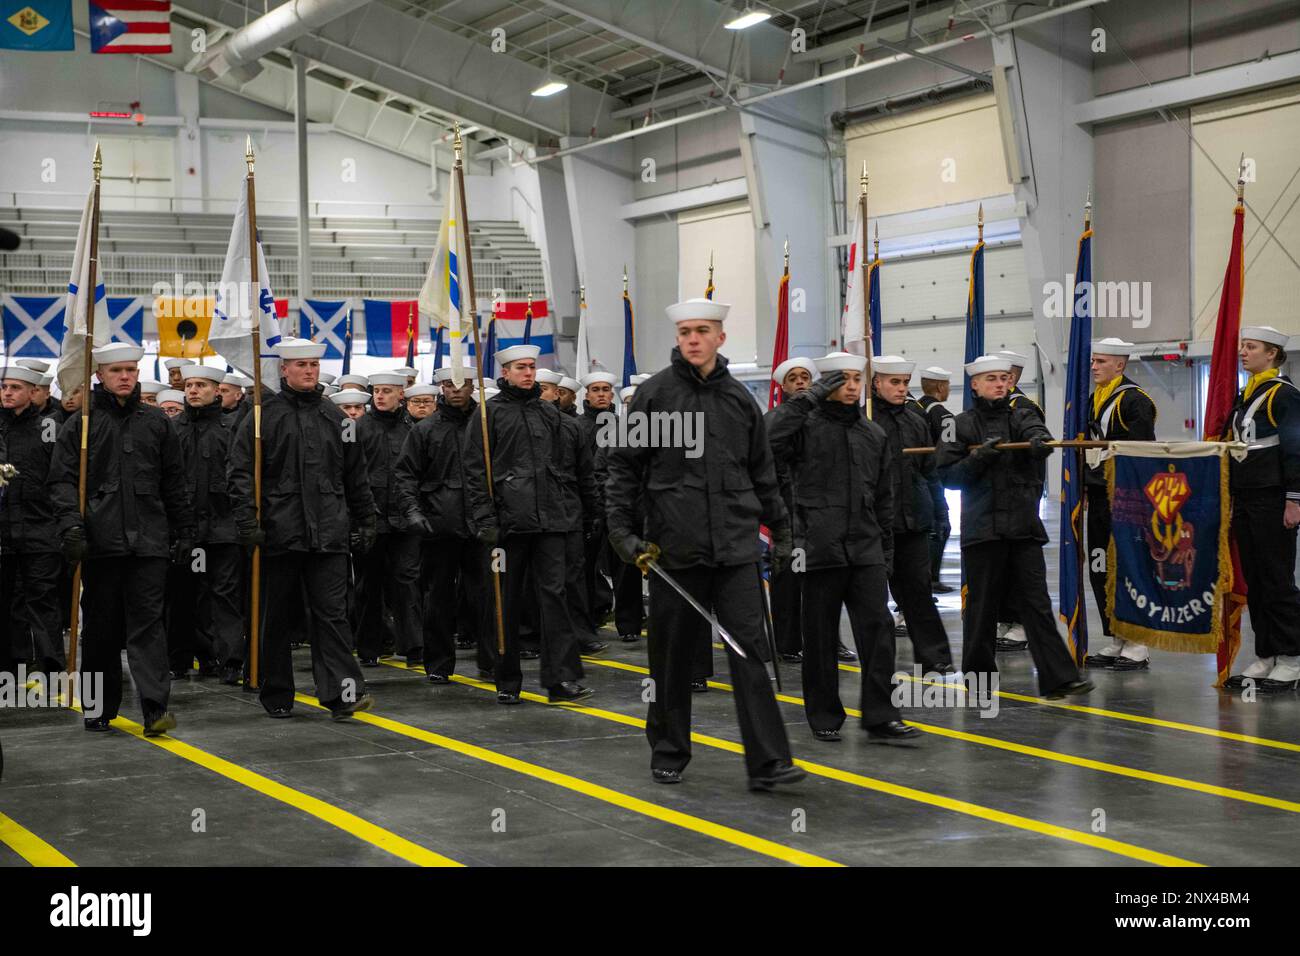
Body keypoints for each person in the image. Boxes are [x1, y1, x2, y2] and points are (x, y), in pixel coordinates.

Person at [606, 297, 804, 790]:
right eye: (685, 331)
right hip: (673, 550)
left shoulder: (740, 400)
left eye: (702, 331)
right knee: (671, 659)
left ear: (720, 337)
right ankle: (669, 750)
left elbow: (763, 473)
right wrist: (622, 533)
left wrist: (782, 532)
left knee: (750, 653)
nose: (693, 339)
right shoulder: (653, 396)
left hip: (736, 548)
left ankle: (768, 762)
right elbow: (623, 470)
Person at [767, 351, 922, 745]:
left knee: (879, 632)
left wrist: (885, 551)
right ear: (826, 383)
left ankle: (880, 715)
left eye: (856, 379)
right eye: (842, 379)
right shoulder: (803, 426)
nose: (851, 386)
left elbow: (884, 497)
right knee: (818, 637)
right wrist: (809, 397)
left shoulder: (873, 434)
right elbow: (767, 439)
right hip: (818, 548)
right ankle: (823, 715)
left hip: (866, 547)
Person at [48, 343, 194, 735]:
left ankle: (154, 708)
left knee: (148, 626)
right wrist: (71, 527)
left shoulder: (157, 423)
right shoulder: (80, 424)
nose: (125, 376)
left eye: (131, 369)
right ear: (100, 376)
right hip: (100, 541)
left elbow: (174, 482)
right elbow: (62, 482)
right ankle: (99, 707)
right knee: (101, 629)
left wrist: (183, 532)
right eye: (117, 371)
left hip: (149, 541)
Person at [228, 337, 376, 719]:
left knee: (333, 616)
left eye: (313, 364)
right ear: (283, 369)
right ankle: (277, 693)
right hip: (278, 532)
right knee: (276, 617)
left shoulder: (338, 419)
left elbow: (355, 476)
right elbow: (241, 473)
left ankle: (344, 693)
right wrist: (248, 521)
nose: (309, 370)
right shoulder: (262, 417)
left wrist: (365, 521)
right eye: (300, 365)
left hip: (329, 533)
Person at [936, 355, 1093, 700]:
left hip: (1023, 528)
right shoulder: (959, 425)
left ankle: (1059, 678)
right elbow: (948, 477)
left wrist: (1039, 442)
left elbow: (1037, 434)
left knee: (1036, 605)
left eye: (1004, 378)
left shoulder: (1022, 414)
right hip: (983, 530)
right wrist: (979, 458)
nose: (1000, 384)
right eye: (991, 378)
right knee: (981, 609)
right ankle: (978, 679)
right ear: (975, 384)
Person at [462, 344, 593, 705]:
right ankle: (506, 677)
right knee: (506, 601)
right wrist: (485, 518)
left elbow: (563, 468)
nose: (528, 373)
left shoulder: (548, 414)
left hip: (550, 521)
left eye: (532, 367)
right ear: (505, 372)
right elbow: (475, 471)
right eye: (521, 367)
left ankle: (560, 678)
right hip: (507, 524)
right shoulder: (487, 416)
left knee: (555, 597)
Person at [395, 365, 490, 682]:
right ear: (441, 389)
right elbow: (406, 476)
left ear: (473, 387)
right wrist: (413, 513)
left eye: (463, 385)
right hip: (439, 527)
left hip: (482, 525)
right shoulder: (424, 431)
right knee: (438, 599)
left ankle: (491, 662)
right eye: (450, 385)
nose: (457, 390)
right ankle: (437, 664)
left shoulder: (488, 425)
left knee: (487, 597)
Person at [1222, 325, 1300, 691]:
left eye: (1251, 347)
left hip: (1273, 498)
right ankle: (1266, 653)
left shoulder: (1284, 396)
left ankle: (1291, 656)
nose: (1243, 352)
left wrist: (1294, 499)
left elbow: (1295, 450)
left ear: (1272, 354)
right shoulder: (1246, 394)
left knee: (1277, 580)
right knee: (1255, 581)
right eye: (1242, 346)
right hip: (1247, 499)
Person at [871, 356, 957, 678]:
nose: (902, 388)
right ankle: (880, 664)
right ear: (876, 382)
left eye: (905, 382)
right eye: (894, 382)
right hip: (878, 524)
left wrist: (940, 510)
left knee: (919, 592)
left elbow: (929, 472)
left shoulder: (916, 420)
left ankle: (934, 658)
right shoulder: (865, 421)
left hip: (913, 521)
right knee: (874, 598)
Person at [1083, 338, 1157, 670]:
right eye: (1093, 361)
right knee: (1101, 567)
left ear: (1120, 365)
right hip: (1098, 495)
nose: (1094, 366)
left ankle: (1138, 640)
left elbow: (1140, 453)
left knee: (1128, 567)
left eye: (1101, 361)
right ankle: (1116, 635)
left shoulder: (1136, 401)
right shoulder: (1092, 400)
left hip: (1126, 497)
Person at [170, 364, 245, 685]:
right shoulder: (171, 429)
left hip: (223, 528)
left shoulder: (232, 429)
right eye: (189, 386)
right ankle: (182, 657)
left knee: (224, 597)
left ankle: (230, 659)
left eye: (201, 385)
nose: (193, 391)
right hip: (184, 529)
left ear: (217, 390)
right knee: (183, 597)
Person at [0, 365, 64, 678]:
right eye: (4, 387)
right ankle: (14, 661)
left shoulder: (47, 428)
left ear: (30, 392)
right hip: (3, 530)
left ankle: (51, 662)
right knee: (7, 599)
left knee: (42, 598)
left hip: (40, 528)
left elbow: (61, 477)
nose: (8, 393)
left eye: (14, 387)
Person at [355, 371, 422, 667]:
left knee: (407, 582)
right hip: (371, 519)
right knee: (370, 585)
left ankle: (414, 646)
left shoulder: (412, 429)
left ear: (401, 395)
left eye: (386, 391)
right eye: (376, 391)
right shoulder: (359, 428)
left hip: (404, 519)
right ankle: (370, 646)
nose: (379, 396)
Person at [538, 369, 607, 655]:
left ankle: (580, 633)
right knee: (539, 581)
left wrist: (593, 512)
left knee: (574, 577)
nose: (544, 393)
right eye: (540, 388)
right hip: (529, 513)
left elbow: (585, 473)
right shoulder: (514, 421)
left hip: (568, 511)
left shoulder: (571, 427)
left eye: (549, 389)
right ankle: (533, 635)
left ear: (558, 393)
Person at [765, 357, 815, 664]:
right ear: (783, 386)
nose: (799, 382)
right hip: (788, 512)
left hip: (820, 513)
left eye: (805, 377)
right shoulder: (776, 420)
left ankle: (826, 639)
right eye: (793, 378)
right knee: (788, 582)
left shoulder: (823, 419)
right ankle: (787, 642)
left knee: (823, 582)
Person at [576, 371, 617, 634]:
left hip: (617, 506)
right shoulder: (577, 427)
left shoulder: (626, 426)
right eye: (596, 390)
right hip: (587, 507)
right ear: (587, 395)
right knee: (586, 568)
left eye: (605, 389)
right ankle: (588, 619)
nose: (601, 394)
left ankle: (625, 619)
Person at [913, 367, 955, 593]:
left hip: (916, 478)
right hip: (933, 477)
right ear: (940, 387)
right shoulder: (943, 415)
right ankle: (931, 578)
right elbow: (949, 448)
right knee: (940, 527)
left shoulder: (915, 409)